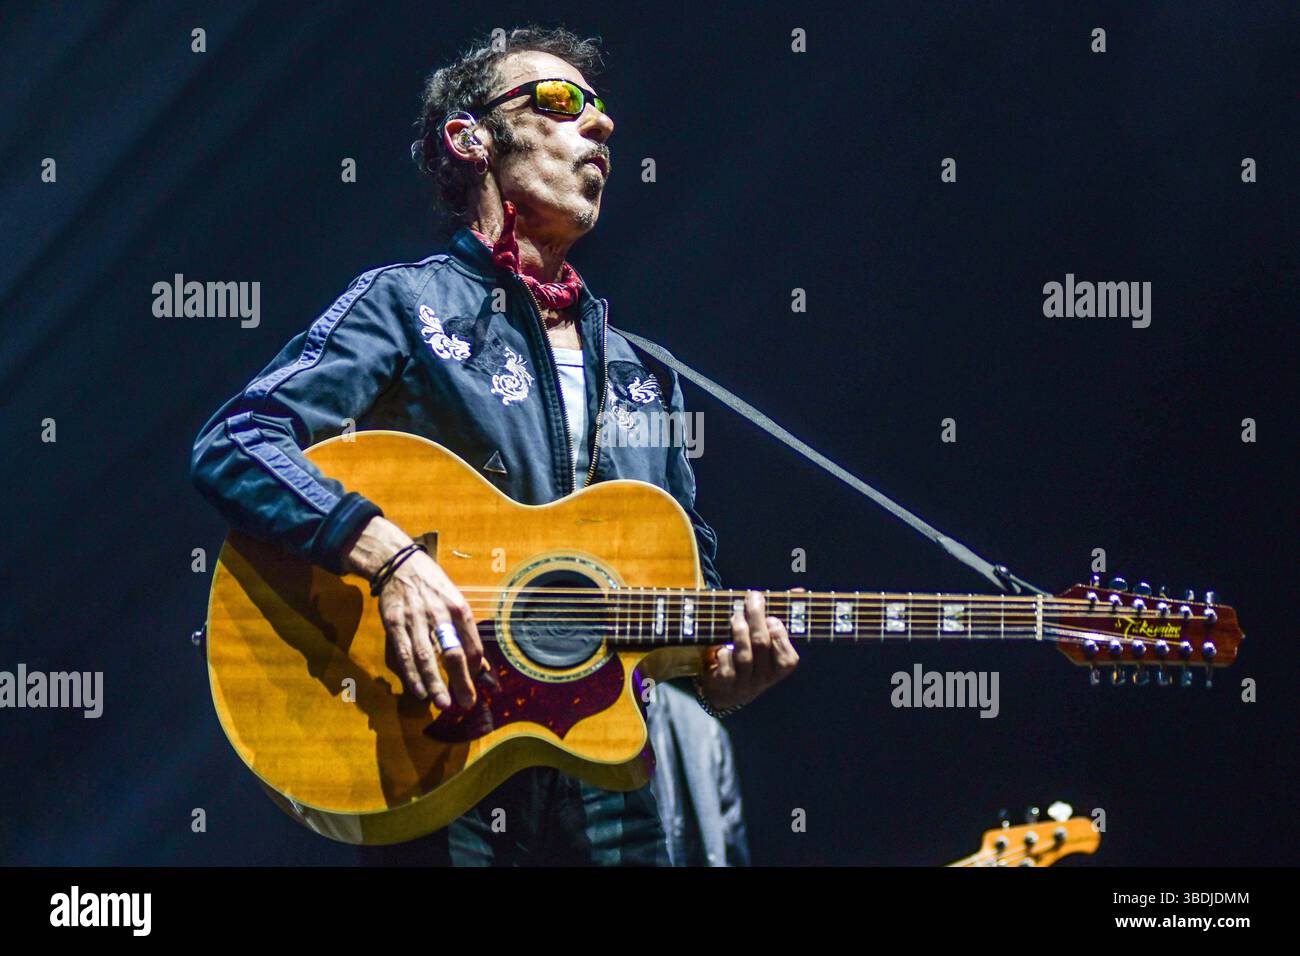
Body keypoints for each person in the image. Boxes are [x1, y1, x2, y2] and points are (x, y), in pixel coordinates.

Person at [191, 24, 798, 865]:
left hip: (611, 780)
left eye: (601, 111)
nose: (602, 126)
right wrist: (389, 559)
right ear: (469, 137)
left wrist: (725, 680)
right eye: (559, 103)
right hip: (437, 747)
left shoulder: (642, 376)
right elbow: (236, 440)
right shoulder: (404, 306)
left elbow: (688, 601)